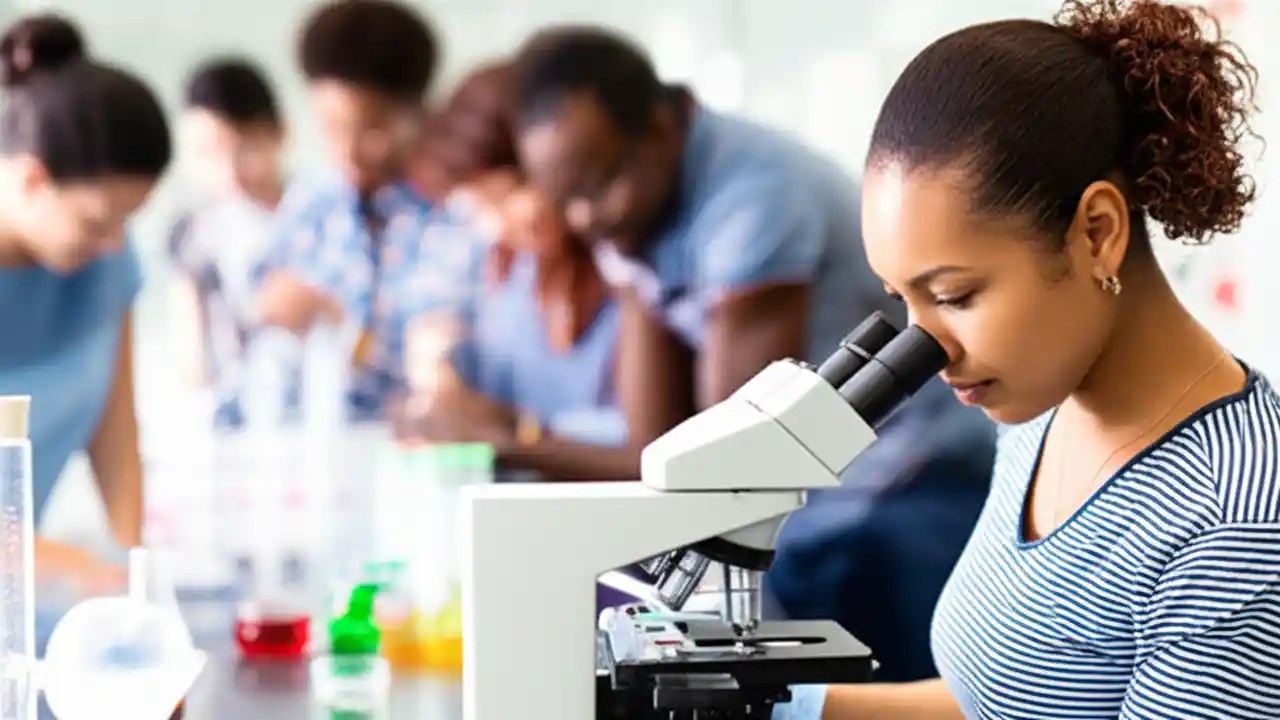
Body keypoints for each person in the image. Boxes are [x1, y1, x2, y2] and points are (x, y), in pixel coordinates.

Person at [775, 1, 1278, 718]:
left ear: (1097, 233)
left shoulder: (1235, 529)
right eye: (902, 300)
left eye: (954, 294)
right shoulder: (1040, 411)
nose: (927, 348)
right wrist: (790, 708)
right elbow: (1000, 701)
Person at [511, 26, 899, 475]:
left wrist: (505, 443)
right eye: (563, 202)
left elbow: (731, 464)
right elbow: (653, 443)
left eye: (597, 188)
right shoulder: (633, 213)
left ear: (659, 129)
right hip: (810, 486)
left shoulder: (755, 200)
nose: (583, 219)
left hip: (897, 483)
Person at [0, 15, 170, 588]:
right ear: (31, 180)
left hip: (23, 598)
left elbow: (116, 430)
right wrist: (86, 575)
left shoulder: (105, 265)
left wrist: (134, 568)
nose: (115, 243)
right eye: (98, 222)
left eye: (128, 220)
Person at [396, 61, 628, 475]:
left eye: (503, 198)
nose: (493, 225)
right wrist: (442, 374)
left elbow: (644, 440)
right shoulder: (514, 272)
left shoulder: (627, 274)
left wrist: (514, 429)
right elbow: (488, 388)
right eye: (480, 206)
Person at [257, 0, 440, 421]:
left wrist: (337, 322)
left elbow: (434, 377)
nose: (349, 150)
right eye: (332, 127)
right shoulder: (309, 201)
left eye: (372, 129)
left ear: (419, 115)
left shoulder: (451, 220)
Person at [168, 57, 286, 426]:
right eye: (209, 153)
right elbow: (192, 354)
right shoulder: (192, 232)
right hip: (231, 421)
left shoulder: (316, 219)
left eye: (245, 148)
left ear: (279, 134)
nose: (229, 169)